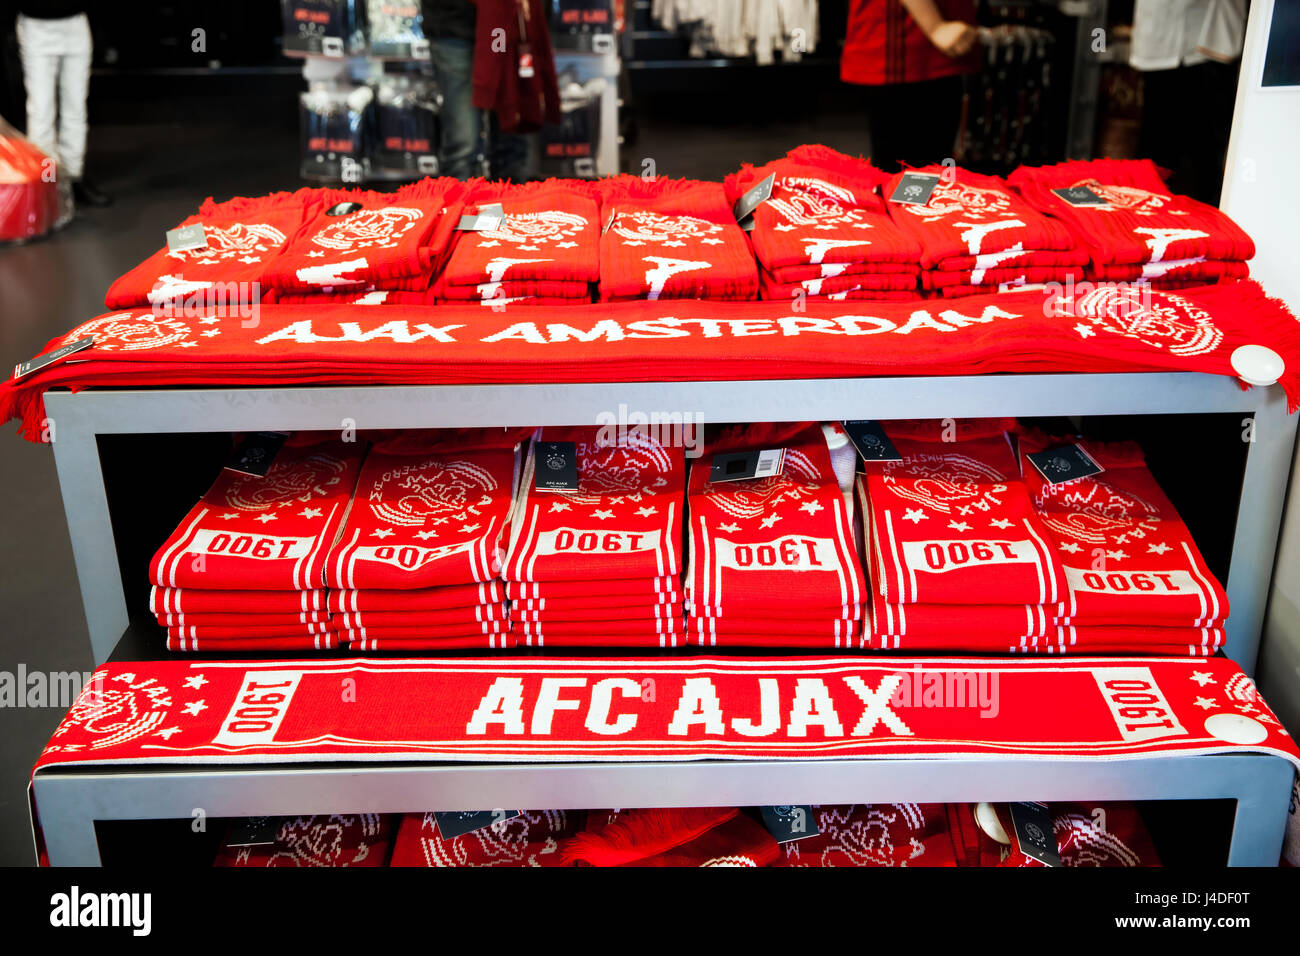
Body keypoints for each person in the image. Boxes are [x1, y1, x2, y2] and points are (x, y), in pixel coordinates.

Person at [841, 0, 980, 172]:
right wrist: (936, 27)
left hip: (924, 49)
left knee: (926, 171)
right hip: (909, 48)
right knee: (913, 172)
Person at [420, 0, 534, 181]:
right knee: (463, 141)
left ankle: (512, 204)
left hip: (502, 28)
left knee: (510, 132)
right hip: (454, 27)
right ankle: (457, 206)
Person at [15, 0, 109, 205]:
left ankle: (74, 178)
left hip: (75, 22)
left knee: (76, 108)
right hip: (36, 24)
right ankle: (47, 182)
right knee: (41, 112)